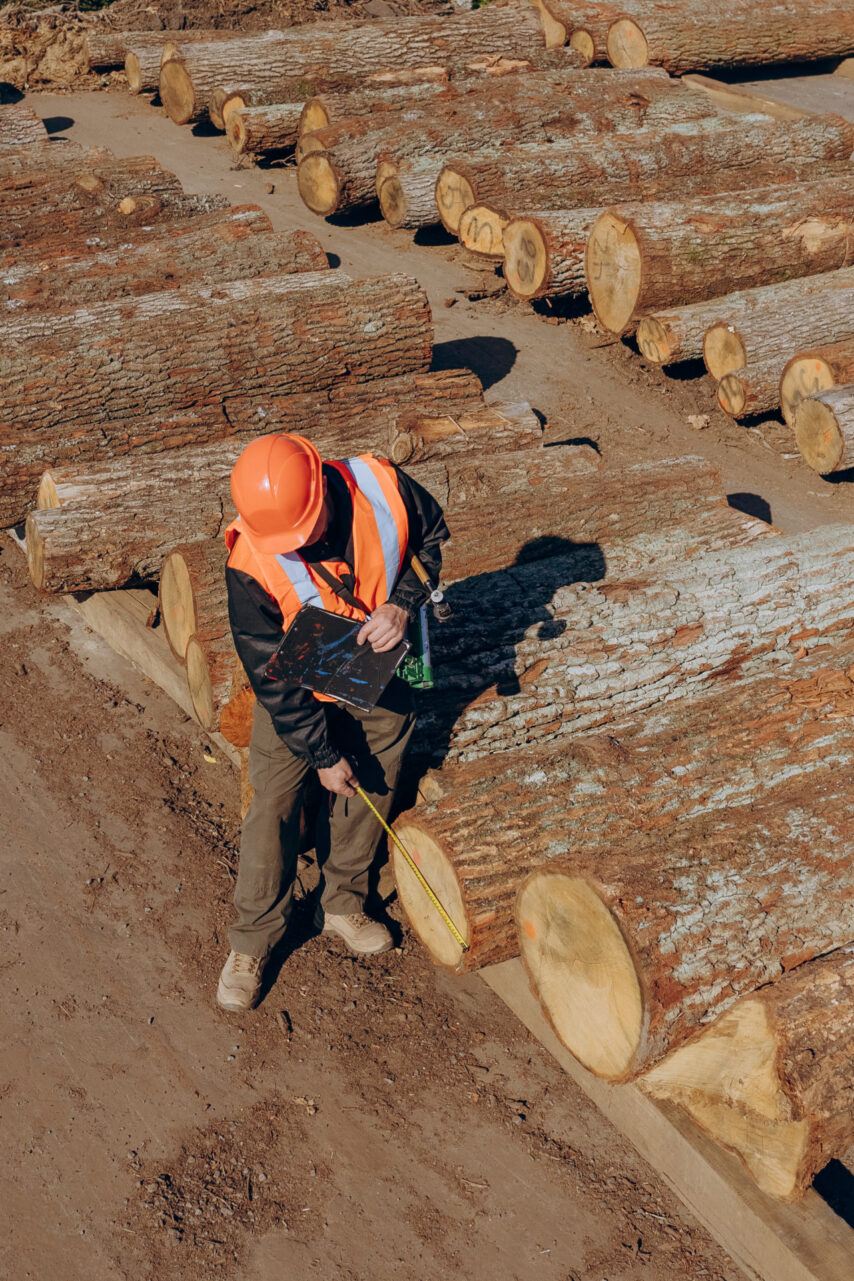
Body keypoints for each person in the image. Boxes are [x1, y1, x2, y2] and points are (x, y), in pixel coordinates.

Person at [217, 432, 449, 1011]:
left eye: (307, 528)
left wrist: (403, 602)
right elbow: (270, 674)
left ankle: (343, 902)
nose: (298, 545)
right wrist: (321, 754)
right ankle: (253, 938)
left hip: (382, 664)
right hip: (298, 684)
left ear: (322, 484)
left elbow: (431, 540)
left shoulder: (382, 485)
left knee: (375, 776)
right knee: (272, 799)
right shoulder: (250, 560)